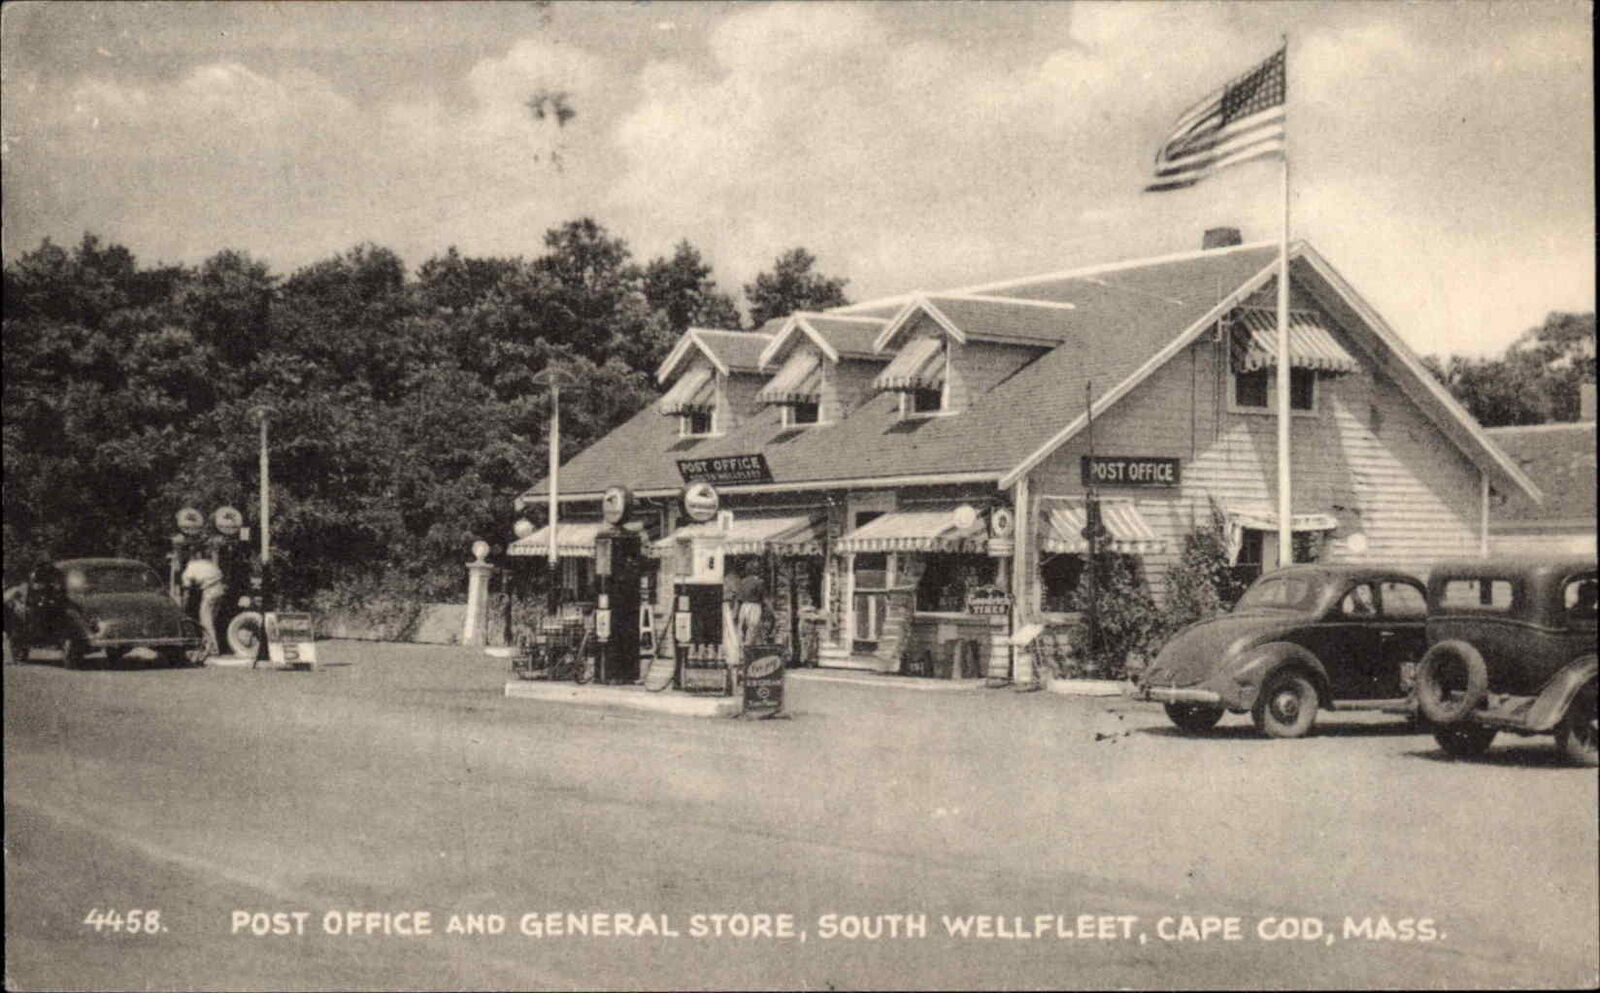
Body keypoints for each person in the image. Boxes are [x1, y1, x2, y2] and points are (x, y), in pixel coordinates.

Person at [181, 554, 225, 655]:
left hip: (210, 591)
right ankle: (208, 645)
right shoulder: (204, 563)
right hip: (220, 589)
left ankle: (213, 649)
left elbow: (187, 592)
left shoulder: (188, 571)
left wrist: (183, 607)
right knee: (211, 620)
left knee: (205, 621)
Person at [735, 563, 767, 645]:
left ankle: (744, 645)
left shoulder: (742, 582)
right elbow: (763, 598)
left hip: (744, 607)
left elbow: (739, 598)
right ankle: (749, 645)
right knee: (753, 627)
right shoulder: (759, 582)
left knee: (743, 627)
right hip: (754, 606)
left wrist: (735, 611)